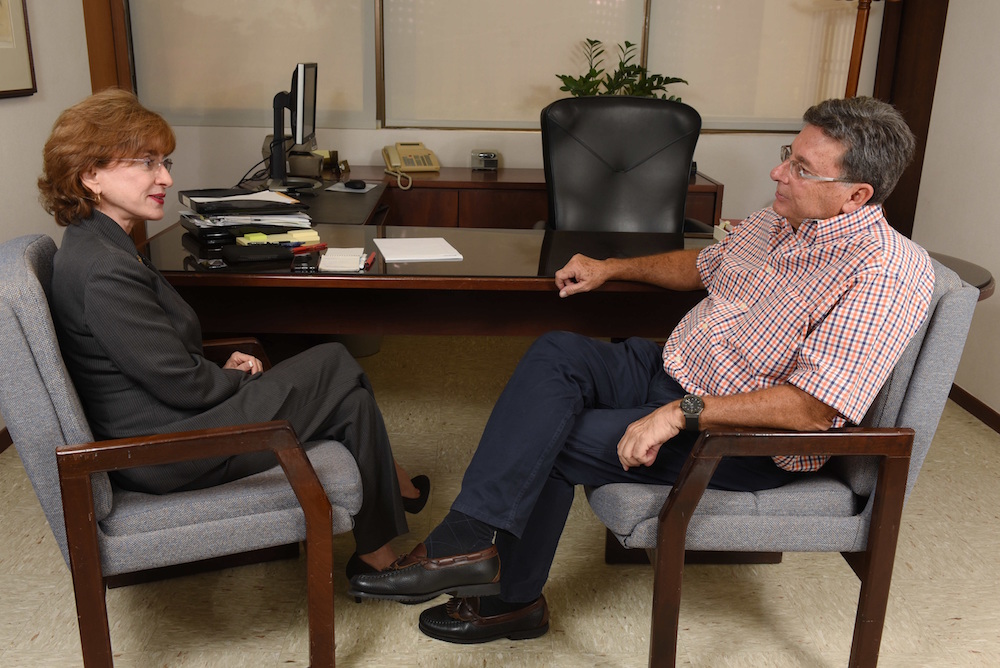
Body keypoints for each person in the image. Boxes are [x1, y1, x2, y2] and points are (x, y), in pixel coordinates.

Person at [348, 96, 936, 643]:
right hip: (672, 368)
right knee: (558, 351)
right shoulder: (781, 220)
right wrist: (612, 267)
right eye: (788, 156)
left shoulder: (884, 272)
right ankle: (471, 542)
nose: (780, 174)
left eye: (803, 168)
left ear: (856, 195)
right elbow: (705, 264)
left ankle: (509, 598)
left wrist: (682, 414)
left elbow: (812, 408)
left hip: (739, 436)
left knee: (552, 439)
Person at [38, 88, 429, 576]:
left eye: (165, 161)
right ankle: (393, 508)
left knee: (346, 397)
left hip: (170, 421)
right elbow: (179, 382)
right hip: (166, 449)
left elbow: (153, 358)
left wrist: (218, 368)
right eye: (147, 163)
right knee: (332, 360)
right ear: (89, 175)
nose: (166, 177)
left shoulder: (100, 243)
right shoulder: (102, 271)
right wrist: (233, 376)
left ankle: (377, 552)